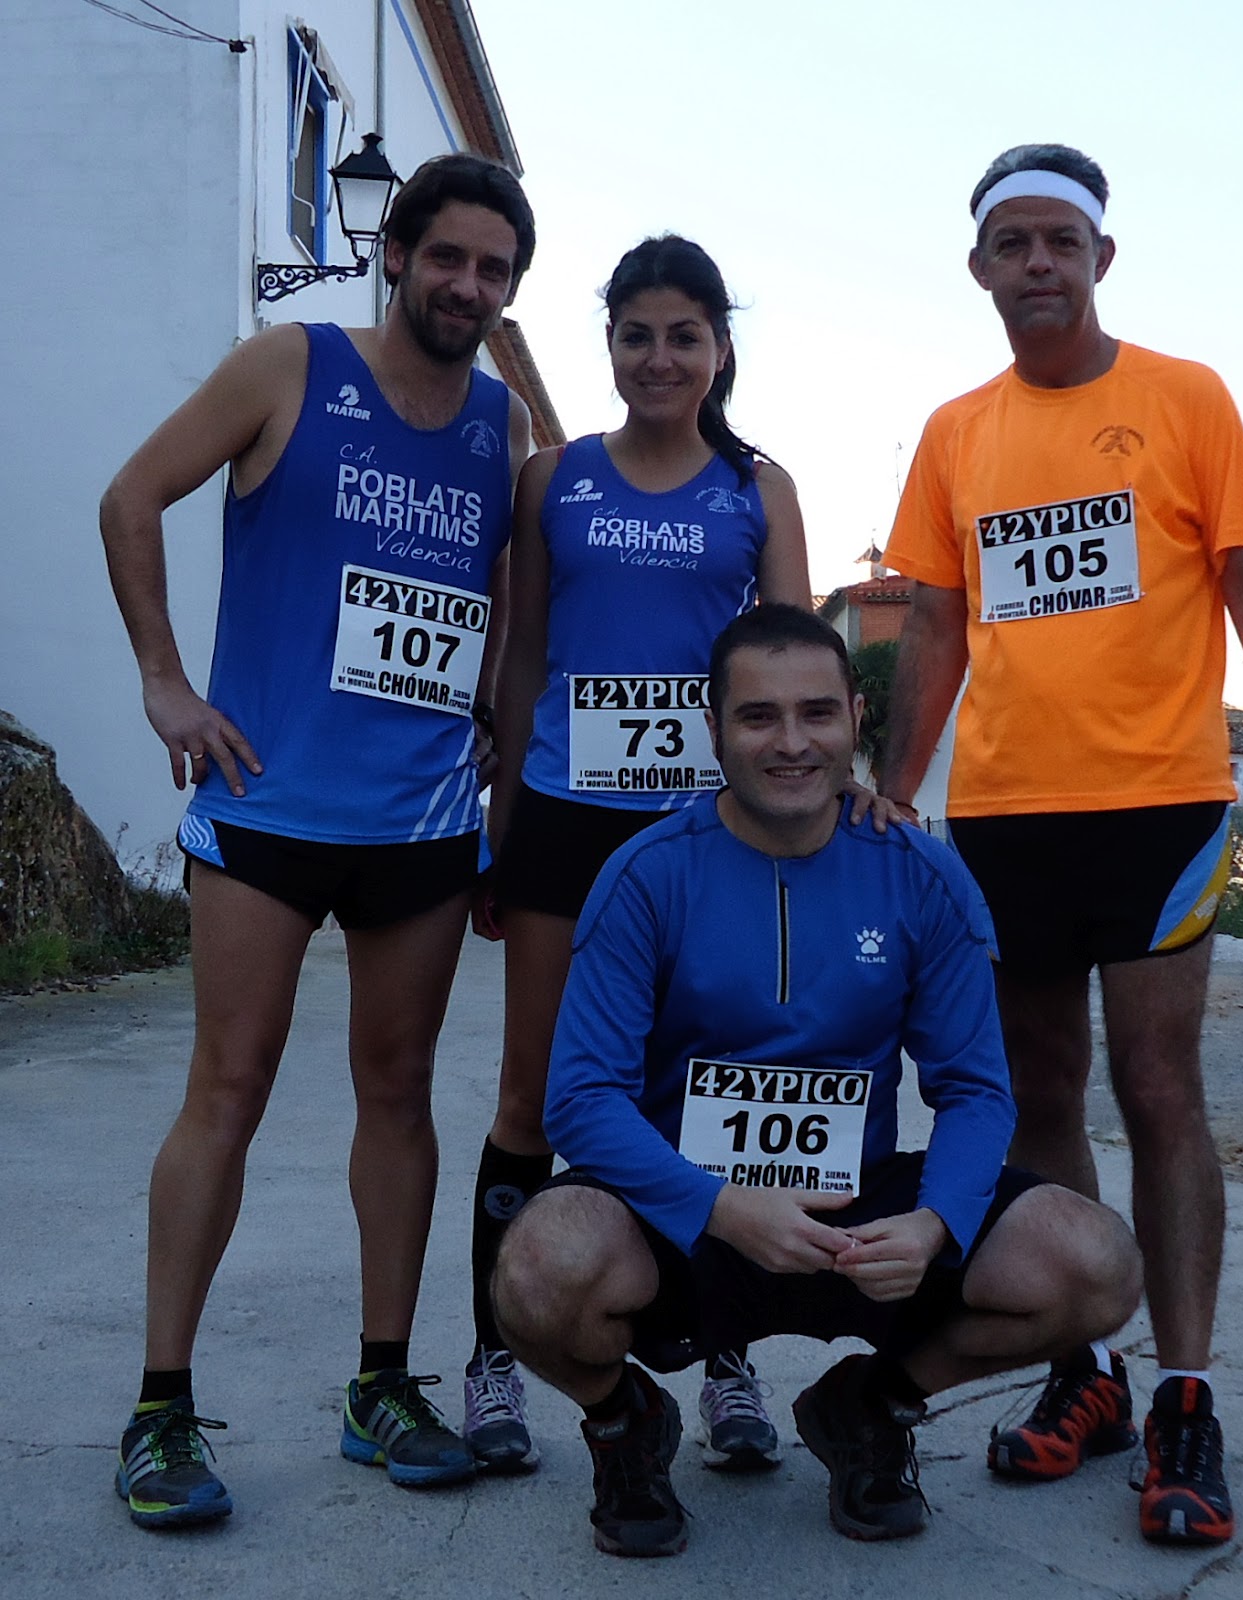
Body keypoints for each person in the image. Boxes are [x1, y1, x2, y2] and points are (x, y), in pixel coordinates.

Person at [879, 144, 1243, 1547]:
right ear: (979, 267)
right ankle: (1089, 1375)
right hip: (1004, 816)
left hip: (1159, 804)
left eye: (1059, 242)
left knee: (1158, 1088)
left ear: (1100, 259)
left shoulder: (1186, 397)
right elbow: (937, 622)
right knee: (1039, 1097)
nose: (1037, 263)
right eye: (1011, 243)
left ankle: (1188, 1394)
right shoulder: (956, 430)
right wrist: (888, 789)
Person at [490, 603, 1142, 1557]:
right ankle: (625, 1423)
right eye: (758, 716)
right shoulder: (644, 876)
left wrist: (936, 1223)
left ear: (855, 722)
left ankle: (871, 1408)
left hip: (858, 1216)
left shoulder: (923, 876)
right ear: (713, 729)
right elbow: (581, 1101)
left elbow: (974, 1089)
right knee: (537, 1268)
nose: (791, 743)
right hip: (685, 1215)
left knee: (1096, 1266)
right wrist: (718, 1206)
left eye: (817, 713)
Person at [99, 153, 535, 1527]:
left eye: (494, 269)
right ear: (395, 252)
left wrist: (489, 717)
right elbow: (130, 497)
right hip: (266, 806)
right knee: (226, 1091)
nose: (467, 285)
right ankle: (160, 1407)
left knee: (398, 1097)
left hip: (420, 823)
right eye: (448, 256)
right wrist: (165, 682)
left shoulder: (501, 423)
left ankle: (382, 1385)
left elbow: (501, 586)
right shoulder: (289, 366)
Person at [462, 236, 816, 1476]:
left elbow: (792, 664)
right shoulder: (553, 477)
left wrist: (818, 816)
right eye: (635, 335)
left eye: (684, 336)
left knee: (703, 1097)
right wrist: (501, 823)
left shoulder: (758, 487)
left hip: (709, 836)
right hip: (566, 815)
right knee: (533, 1091)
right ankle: (496, 1357)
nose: (659, 358)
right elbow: (522, 654)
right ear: (607, 343)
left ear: (720, 348)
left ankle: (726, 1355)